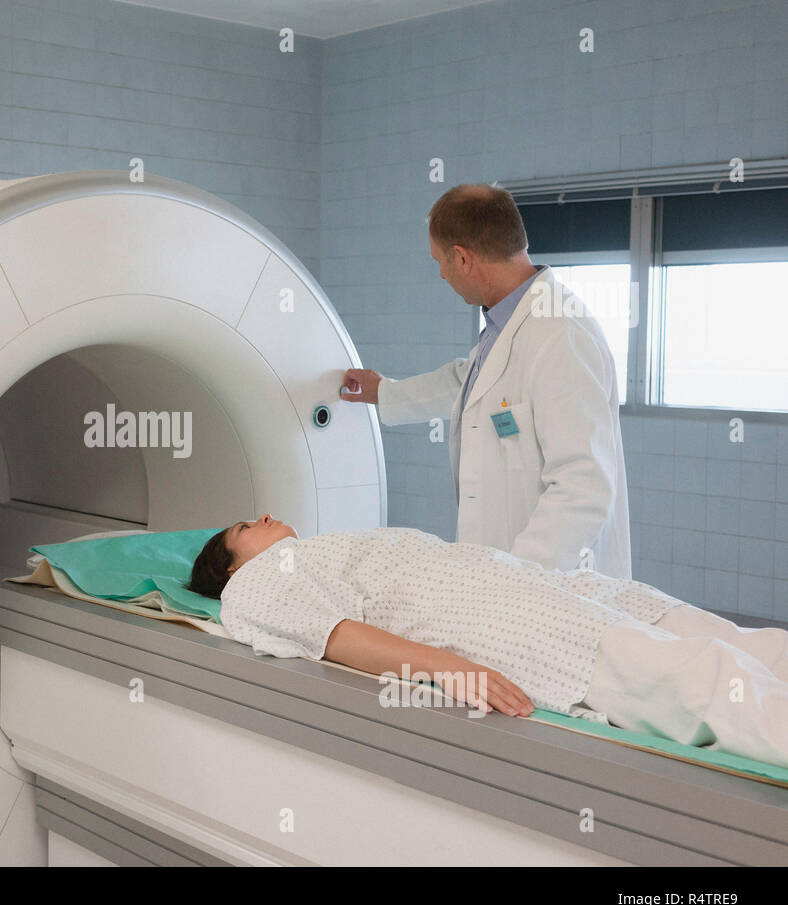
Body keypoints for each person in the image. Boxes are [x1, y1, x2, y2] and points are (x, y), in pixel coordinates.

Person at [187, 514, 788, 768]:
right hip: (519, 630)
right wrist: (451, 668)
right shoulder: (257, 584)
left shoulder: (313, 552)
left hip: (546, 592)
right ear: (233, 569)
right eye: (247, 527)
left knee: (741, 644)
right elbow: (341, 638)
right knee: (705, 677)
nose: (264, 517)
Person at [341, 184, 631, 578]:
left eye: (440, 262)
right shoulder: (506, 321)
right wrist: (384, 392)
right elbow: (472, 382)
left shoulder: (562, 332)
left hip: (551, 587)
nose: (441, 274)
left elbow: (584, 487)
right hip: (502, 577)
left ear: (462, 258)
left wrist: (515, 579)